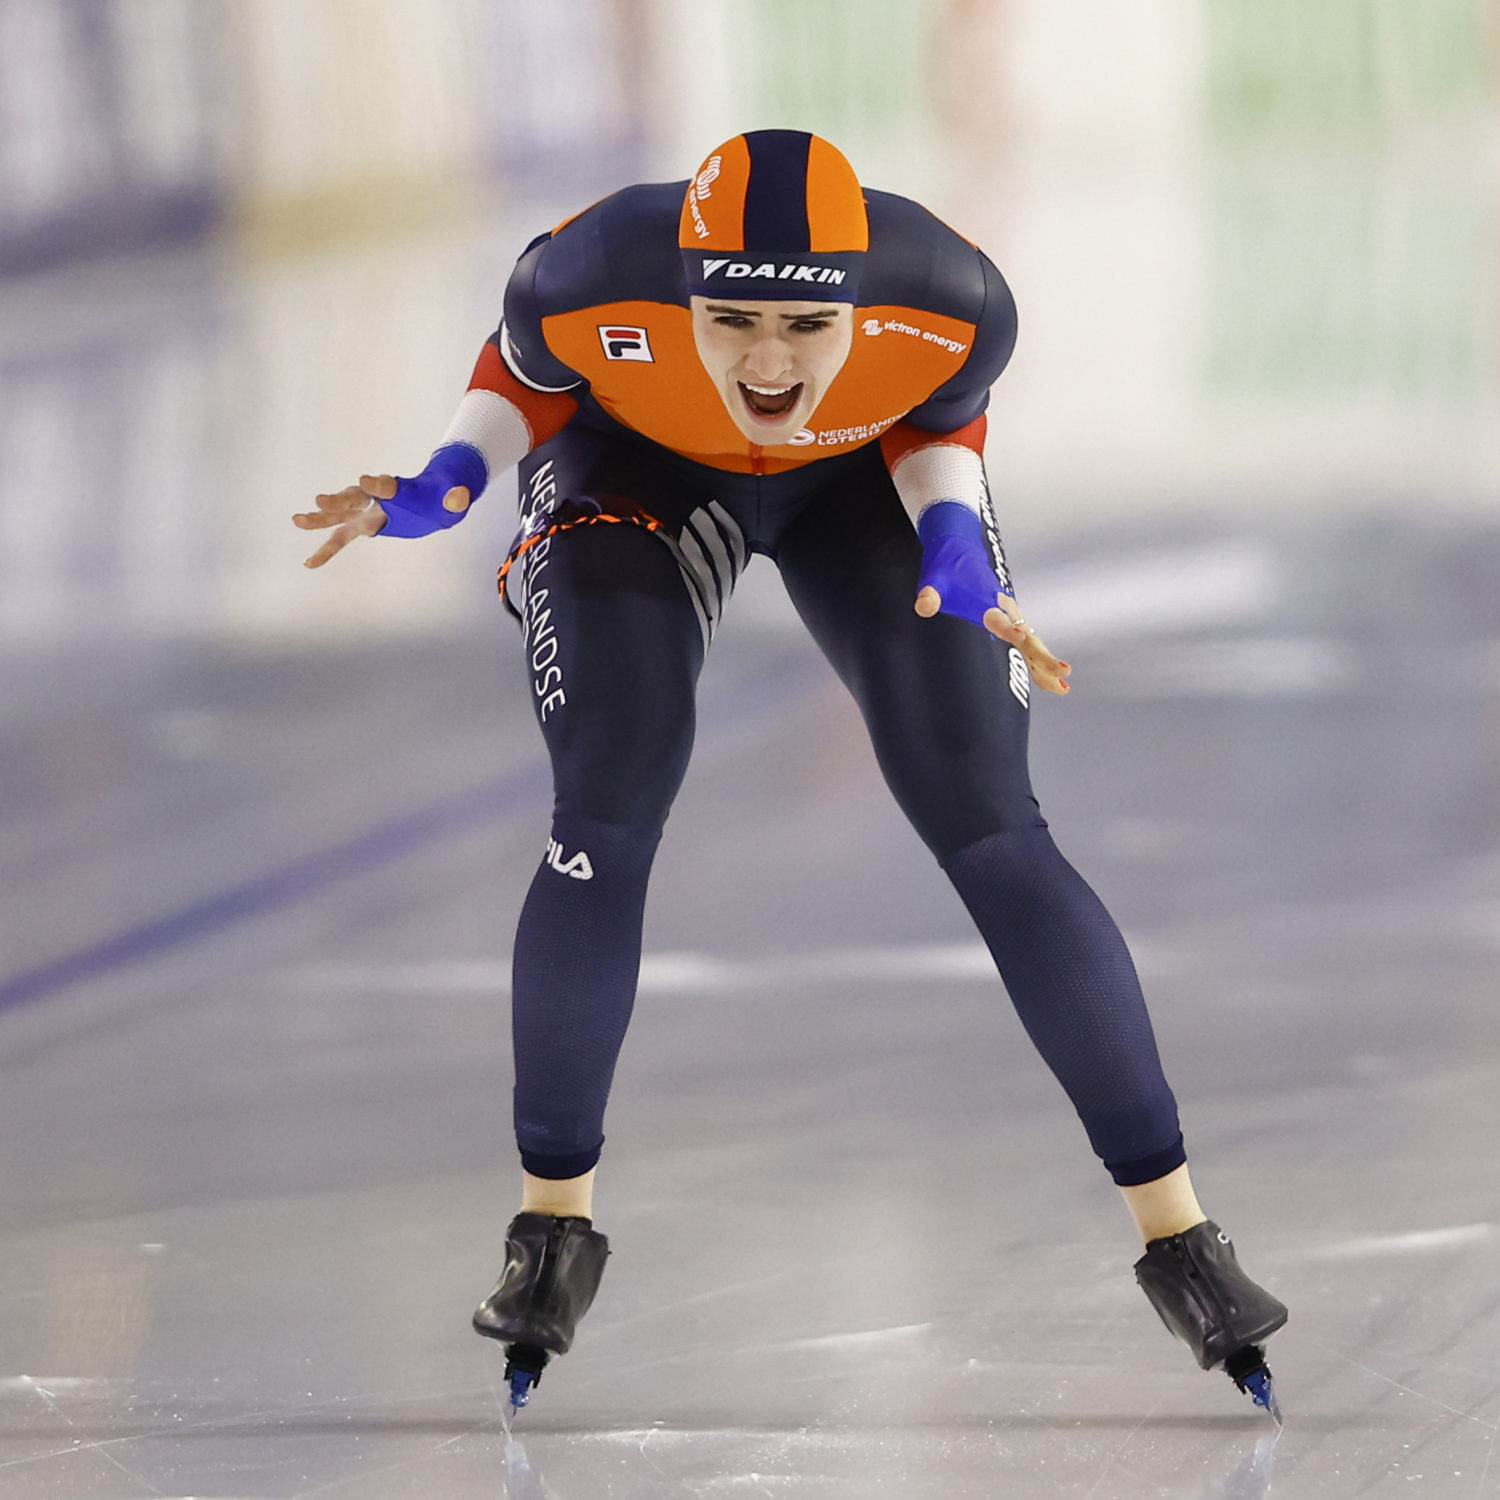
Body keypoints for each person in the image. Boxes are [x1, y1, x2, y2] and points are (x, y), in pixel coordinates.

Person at [293, 130, 1287, 1415]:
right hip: (631, 478)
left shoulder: (955, 296)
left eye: (807, 326)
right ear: (684, 287)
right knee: (610, 793)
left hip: (855, 492)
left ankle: (1183, 1240)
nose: (767, 362)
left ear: (862, 303)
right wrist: (445, 478)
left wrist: (953, 537)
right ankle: (551, 1237)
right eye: (731, 316)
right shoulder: (587, 271)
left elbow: (941, 426)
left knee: (992, 823)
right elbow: (521, 381)